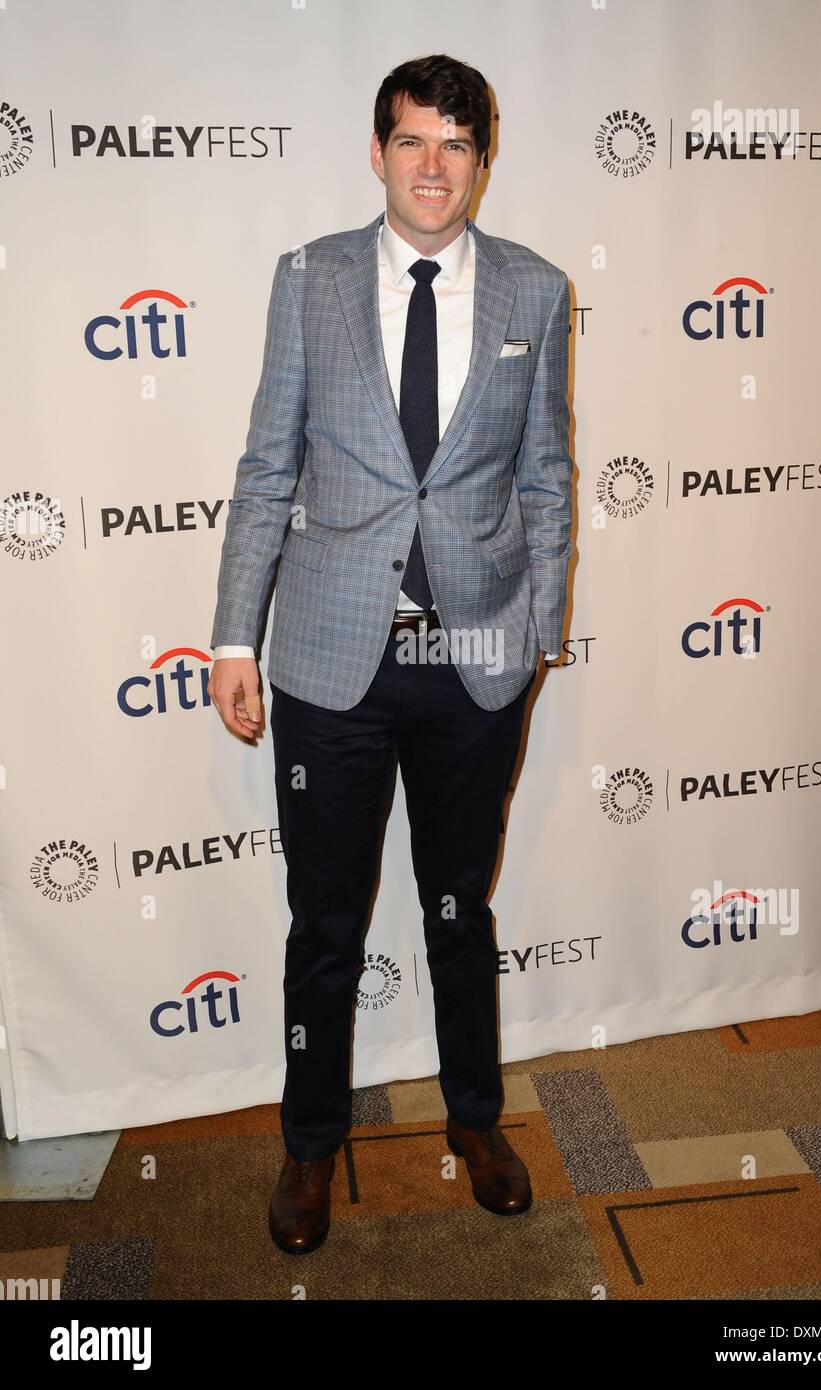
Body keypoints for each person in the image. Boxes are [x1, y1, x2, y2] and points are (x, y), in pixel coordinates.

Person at [208, 52, 573, 1254]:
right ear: (378, 153)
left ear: (483, 159)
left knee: (459, 908)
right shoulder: (308, 278)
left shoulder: (534, 290)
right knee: (325, 924)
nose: (434, 166)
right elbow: (269, 466)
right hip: (330, 660)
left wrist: (535, 635)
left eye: (456, 145)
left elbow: (547, 478)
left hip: (474, 659)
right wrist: (230, 636)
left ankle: (475, 1120)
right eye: (413, 141)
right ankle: (311, 1145)